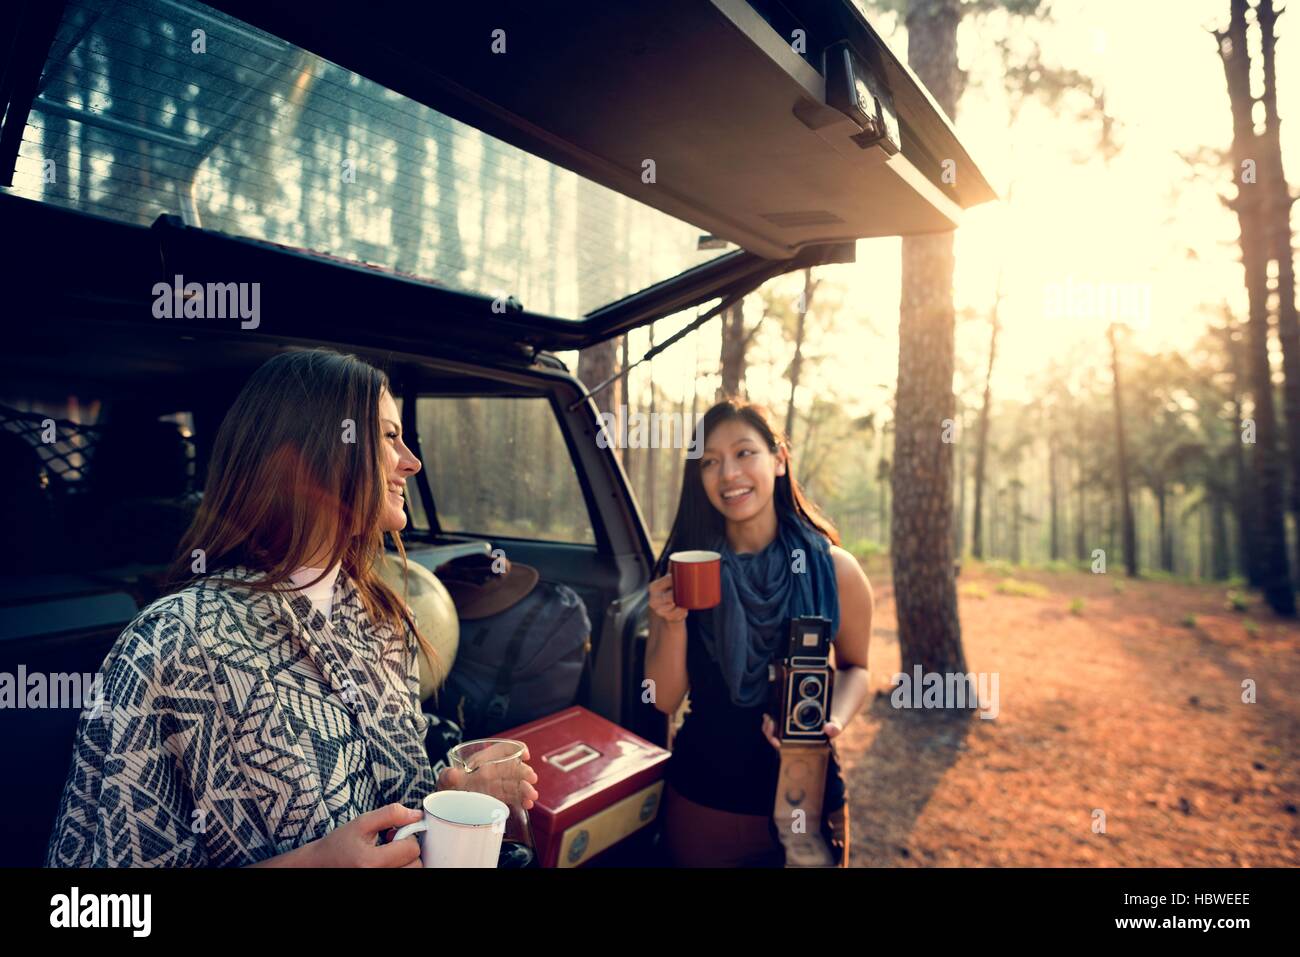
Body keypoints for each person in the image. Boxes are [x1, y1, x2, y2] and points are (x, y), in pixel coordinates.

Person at [45, 348, 537, 867]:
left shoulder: (384, 618)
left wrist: (446, 791)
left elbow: (391, 806)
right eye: (389, 437)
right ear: (303, 460)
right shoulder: (173, 644)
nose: (411, 462)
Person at [644, 398, 873, 867]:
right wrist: (672, 622)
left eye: (745, 452)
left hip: (809, 801)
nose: (728, 473)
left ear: (780, 460)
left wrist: (833, 720)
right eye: (710, 461)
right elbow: (662, 699)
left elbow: (857, 669)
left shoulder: (835, 570)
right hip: (706, 800)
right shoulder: (687, 572)